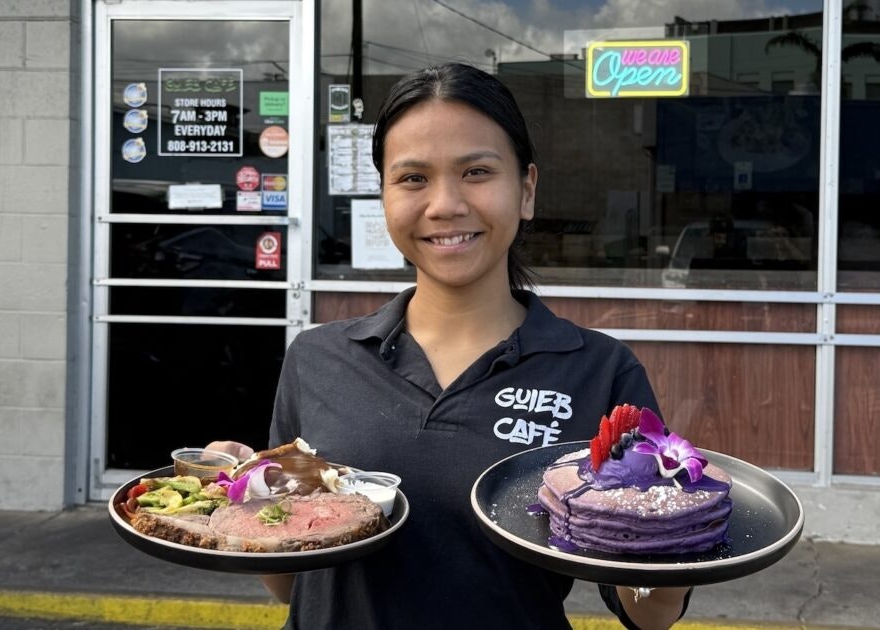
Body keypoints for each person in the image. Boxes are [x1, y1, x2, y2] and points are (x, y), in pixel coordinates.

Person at [209, 62, 693, 629]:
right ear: (384, 195)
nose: (445, 205)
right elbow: (292, 585)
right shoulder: (317, 359)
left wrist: (674, 525)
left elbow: (649, 614)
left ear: (526, 189)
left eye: (476, 172)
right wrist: (248, 499)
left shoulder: (599, 372)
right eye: (413, 178)